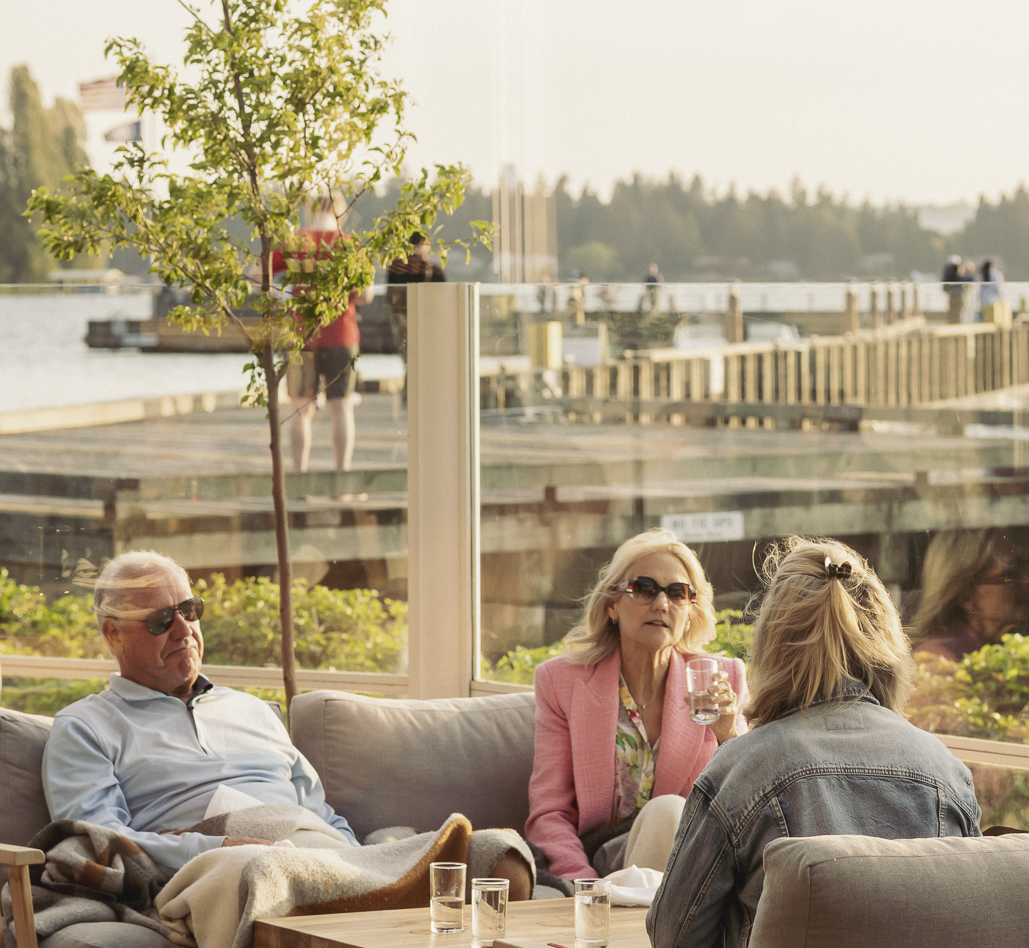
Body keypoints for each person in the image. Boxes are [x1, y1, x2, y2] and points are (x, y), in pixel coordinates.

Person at [44, 551, 534, 896]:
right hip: (225, 865)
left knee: (500, 862)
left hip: (313, 854)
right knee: (263, 873)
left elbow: (322, 816)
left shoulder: (253, 711)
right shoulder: (86, 727)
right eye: (160, 620)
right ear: (113, 634)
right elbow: (102, 843)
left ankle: (369, 898)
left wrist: (353, 858)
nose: (184, 630)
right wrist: (220, 845)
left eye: (189, 611)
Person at [647, 538, 980, 948]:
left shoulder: (739, 772)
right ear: (887, 642)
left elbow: (677, 947)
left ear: (771, 643)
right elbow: (965, 937)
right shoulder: (948, 773)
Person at [525, 530, 749, 880]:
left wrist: (728, 734)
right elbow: (549, 814)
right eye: (644, 588)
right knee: (665, 813)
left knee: (669, 813)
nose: (661, 604)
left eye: (678, 593)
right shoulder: (562, 683)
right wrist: (586, 888)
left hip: (692, 864)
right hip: (604, 861)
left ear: (689, 613)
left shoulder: (723, 680)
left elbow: (748, 802)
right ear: (612, 605)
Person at [275, 194, 361, 474]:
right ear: (340, 212)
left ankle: (299, 476)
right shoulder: (349, 244)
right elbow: (366, 294)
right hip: (341, 335)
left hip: (302, 335)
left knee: (300, 410)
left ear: (310, 211)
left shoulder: (296, 241)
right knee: (342, 408)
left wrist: (286, 294)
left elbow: (258, 273)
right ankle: (342, 477)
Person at [908, 529, 1029, 660]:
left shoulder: (999, 650)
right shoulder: (939, 659)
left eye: (1025, 569)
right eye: (1010, 574)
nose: (1027, 581)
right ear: (966, 596)